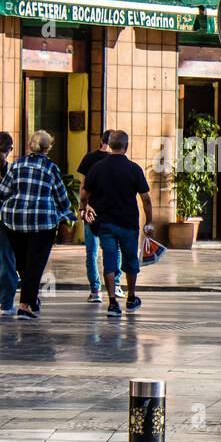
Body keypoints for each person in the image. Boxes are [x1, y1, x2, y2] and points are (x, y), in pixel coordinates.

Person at [0, 131, 74, 320]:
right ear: (47, 147)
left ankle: (32, 300)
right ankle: (24, 306)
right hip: (42, 223)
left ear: (30, 146)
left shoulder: (17, 164)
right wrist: (68, 213)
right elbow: (61, 197)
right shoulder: (51, 168)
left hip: (14, 221)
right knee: (35, 263)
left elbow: (3, 190)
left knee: (23, 263)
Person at [82, 130, 153, 318]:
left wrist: (84, 209)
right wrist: (150, 222)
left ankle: (112, 302)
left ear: (109, 145)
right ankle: (131, 298)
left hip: (105, 224)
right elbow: (146, 198)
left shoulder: (97, 168)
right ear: (126, 146)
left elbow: (84, 193)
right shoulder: (134, 168)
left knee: (109, 261)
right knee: (130, 261)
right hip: (129, 224)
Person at [77, 129, 119, 303]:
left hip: (91, 210)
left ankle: (95, 290)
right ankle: (115, 285)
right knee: (114, 250)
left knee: (91, 252)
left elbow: (83, 185)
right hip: (111, 212)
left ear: (100, 140)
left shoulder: (89, 159)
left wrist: (82, 207)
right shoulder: (118, 161)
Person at [0, 133, 18, 317]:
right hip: (6, 221)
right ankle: (5, 303)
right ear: (9, 149)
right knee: (6, 261)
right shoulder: (12, 171)